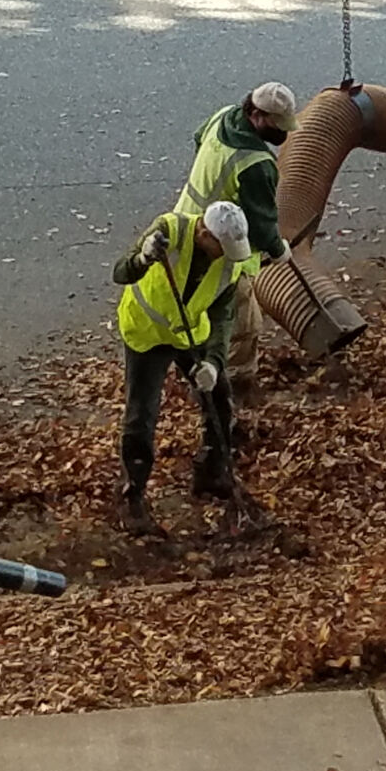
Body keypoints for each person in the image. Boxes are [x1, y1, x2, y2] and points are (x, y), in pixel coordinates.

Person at [113, 200, 261, 536]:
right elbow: (121, 272)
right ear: (204, 233)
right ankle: (131, 495)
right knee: (142, 415)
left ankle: (212, 473)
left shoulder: (229, 264)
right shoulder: (169, 231)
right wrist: (144, 258)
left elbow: (223, 317)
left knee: (219, 398)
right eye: (220, 247)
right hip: (146, 333)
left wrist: (213, 362)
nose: (225, 255)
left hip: (189, 334)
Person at [172, 82, 299, 398]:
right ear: (256, 114)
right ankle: (234, 388)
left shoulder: (222, 117)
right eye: (275, 125)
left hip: (186, 225)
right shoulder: (256, 165)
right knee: (244, 324)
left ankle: (192, 369)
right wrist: (278, 250)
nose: (281, 134)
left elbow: (198, 138)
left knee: (194, 307)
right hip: (222, 248)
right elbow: (261, 223)